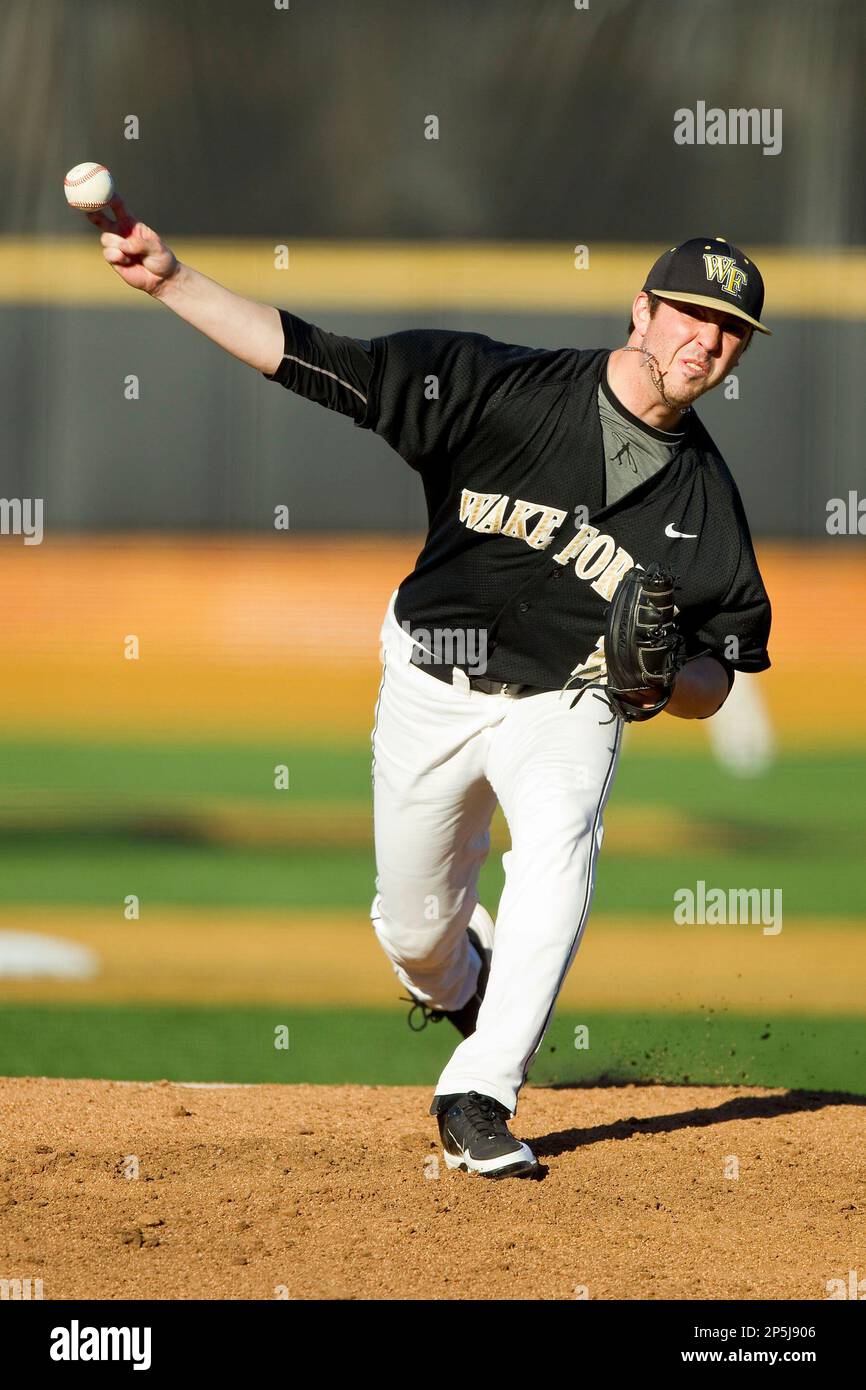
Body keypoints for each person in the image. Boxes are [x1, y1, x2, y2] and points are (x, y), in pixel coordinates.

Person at [88, 206, 772, 1179]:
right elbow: (317, 360)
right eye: (687, 313)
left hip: (567, 704)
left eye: (728, 329)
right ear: (639, 310)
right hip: (429, 680)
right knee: (413, 933)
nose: (702, 340)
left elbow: (719, 671)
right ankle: (462, 981)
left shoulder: (706, 504)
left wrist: (665, 684)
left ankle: (480, 1091)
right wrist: (170, 281)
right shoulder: (498, 388)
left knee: (561, 843)